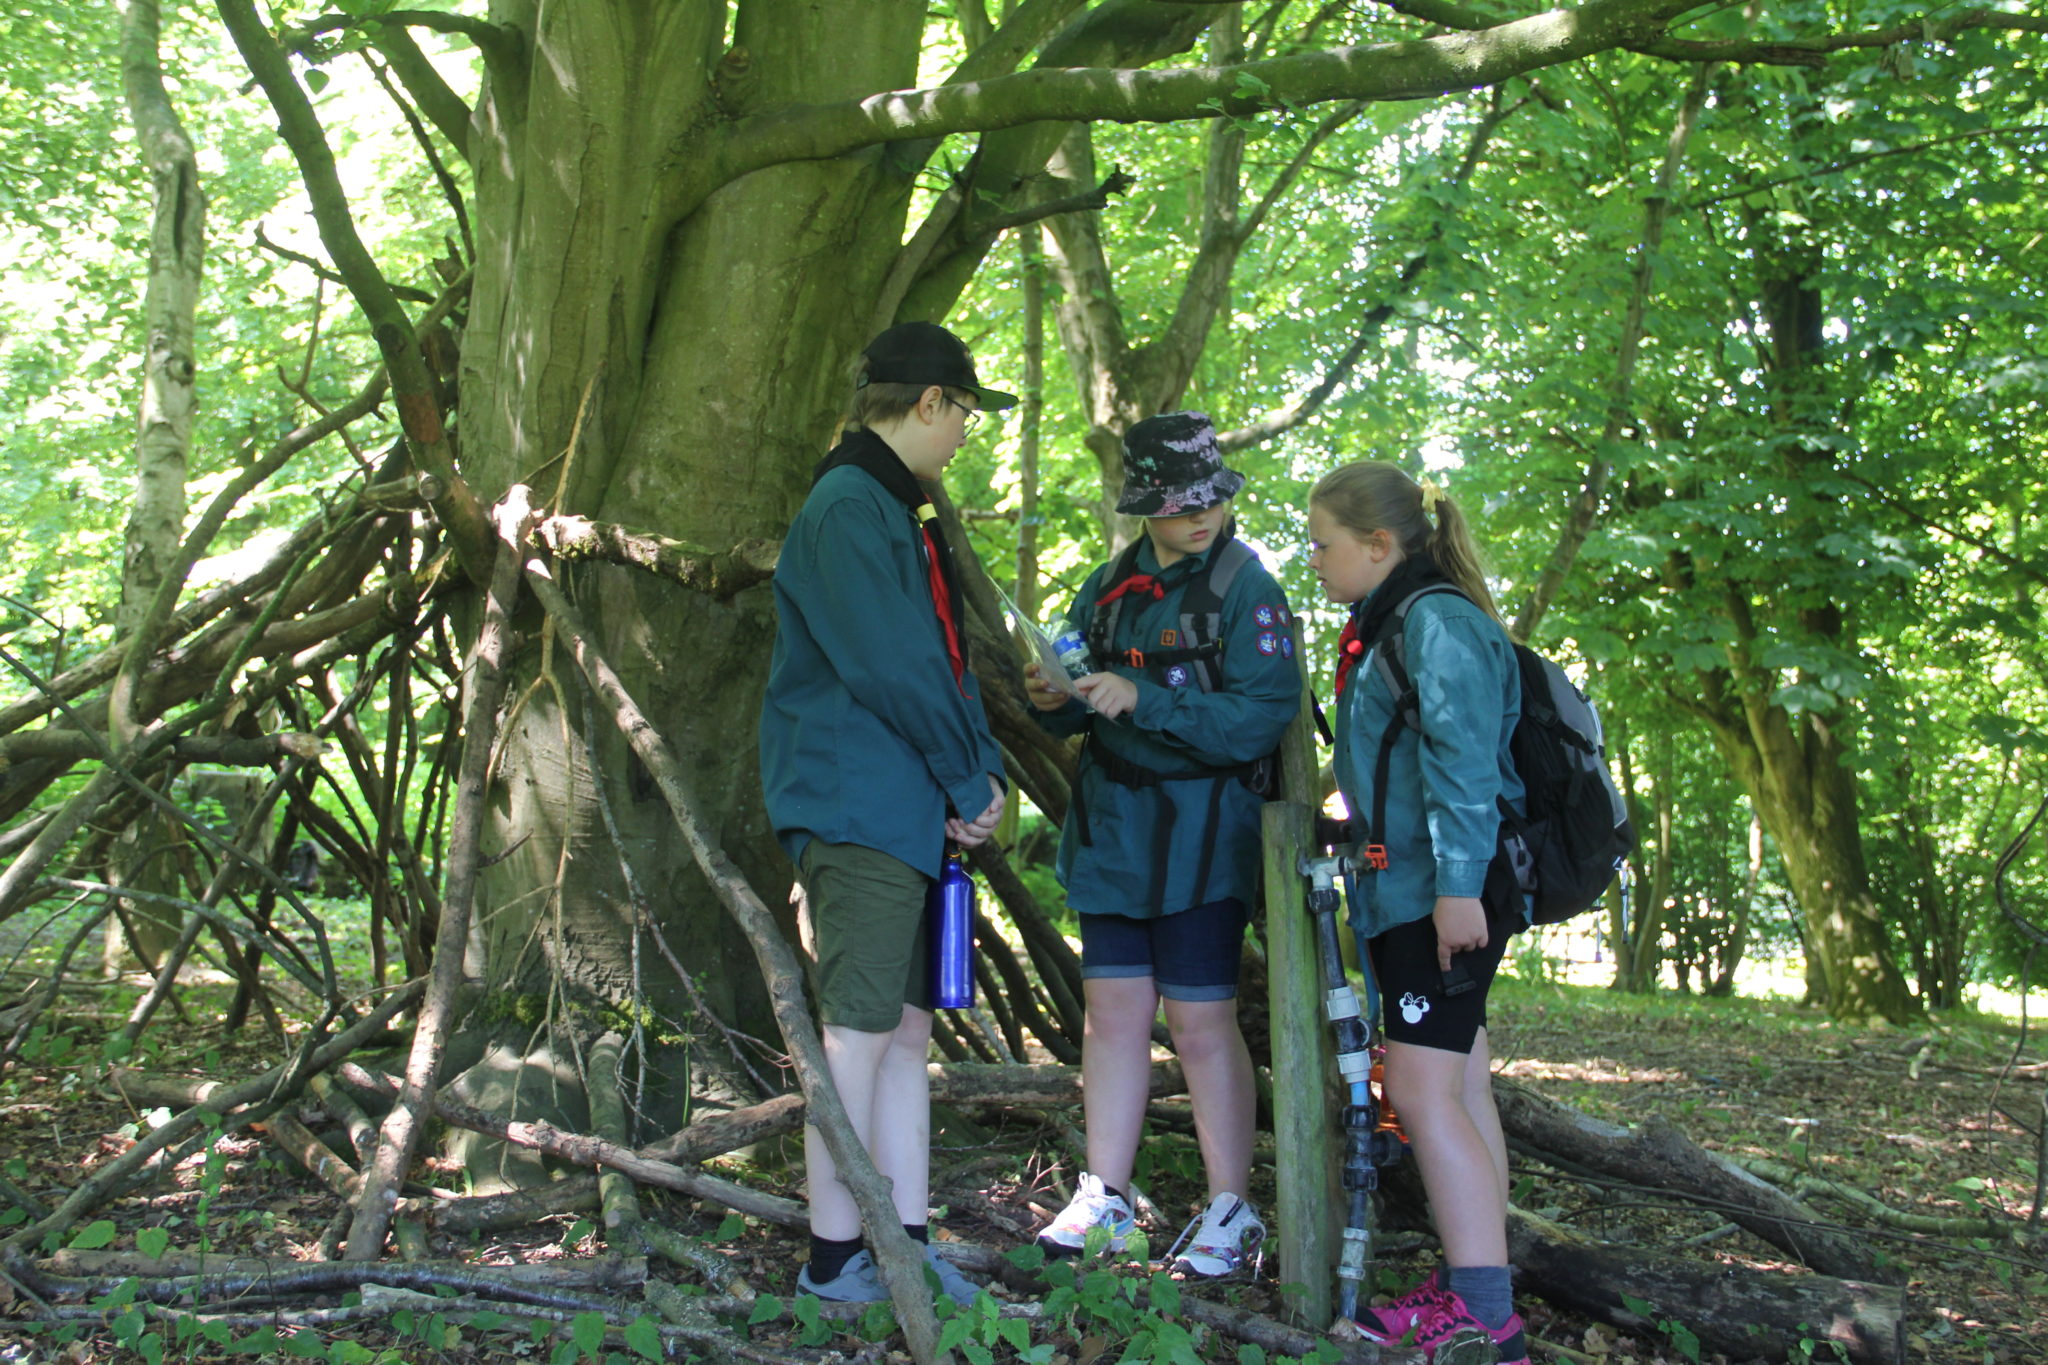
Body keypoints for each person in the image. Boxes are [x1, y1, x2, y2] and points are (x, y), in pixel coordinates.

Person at [759, 321, 1015, 1304]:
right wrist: (963, 776)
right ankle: (834, 1265)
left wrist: (974, 776)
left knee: (903, 1034)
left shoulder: (883, 509)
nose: (962, 437)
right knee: (858, 1036)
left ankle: (902, 1244)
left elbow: (936, 664)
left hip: (902, 810)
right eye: (963, 417)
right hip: (857, 807)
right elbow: (889, 666)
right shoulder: (848, 509)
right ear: (930, 403)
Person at [1024, 412, 1301, 1277]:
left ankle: (1230, 1208)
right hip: (1113, 834)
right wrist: (1054, 694)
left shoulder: (1246, 588)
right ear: (1144, 506)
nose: (1199, 517)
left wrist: (1145, 699)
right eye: (1180, 505)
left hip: (1203, 836)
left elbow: (1262, 715)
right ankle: (1105, 1194)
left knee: (1200, 1019)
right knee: (1111, 1016)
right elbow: (1074, 696)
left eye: (1209, 500)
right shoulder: (1107, 586)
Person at [1306, 461, 1529, 1364]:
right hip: (1416, 890)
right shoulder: (1396, 619)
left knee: (1423, 1091)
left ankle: (1485, 1317)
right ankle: (1478, 1284)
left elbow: (1465, 761)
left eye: (1323, 544)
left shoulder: (1434, 622)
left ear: (1379, 544)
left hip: (1444, 894)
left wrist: (1458, 890)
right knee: (1460, 1087)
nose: (1313, 560)